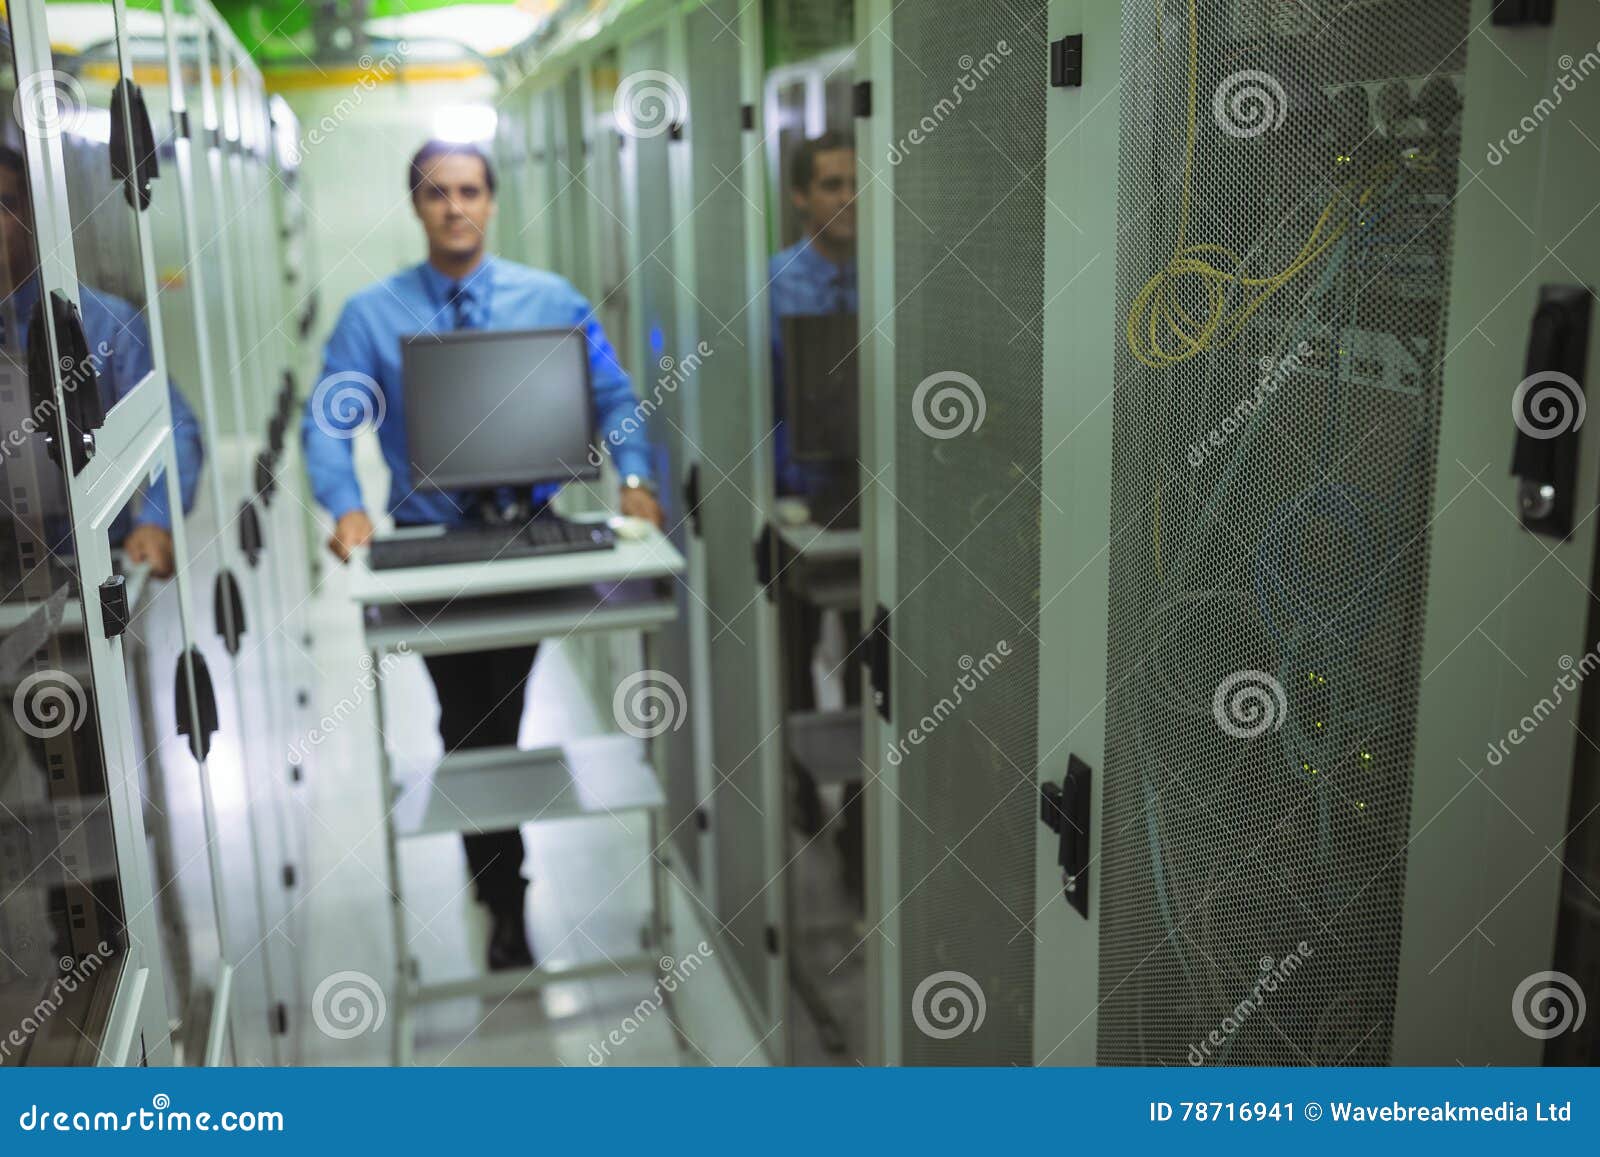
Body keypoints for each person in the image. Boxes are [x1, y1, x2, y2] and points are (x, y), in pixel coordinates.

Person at [302, 139, 662, 971]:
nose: (454, 206)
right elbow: (328, 416)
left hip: (532, 537)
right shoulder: (373, 313)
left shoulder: (550, 297)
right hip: (431, 542)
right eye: (436, 193)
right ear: (416, 204)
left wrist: (636, 474)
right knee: (470, 717)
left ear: (492, 201)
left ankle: (502, 889)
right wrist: (347, 505)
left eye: (468, 190)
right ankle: (505, 894)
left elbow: (614, 393)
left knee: (495, 713)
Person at [0, 146, 202, 572]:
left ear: (31, 220)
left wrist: (155, 520)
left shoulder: (104, 324)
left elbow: (174, 429)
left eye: (3, 205)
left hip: (92, 569)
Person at [767, 132, 863, 902]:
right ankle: (801, 788)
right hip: (801, 507)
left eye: (857, 184)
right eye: (831, 184)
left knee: (871, 663)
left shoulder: (893, 274)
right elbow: (759, 408)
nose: (847, 198)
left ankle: (865, 818)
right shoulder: (771, 287)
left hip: (874, 502)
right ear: (801, 195)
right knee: (795, 661)